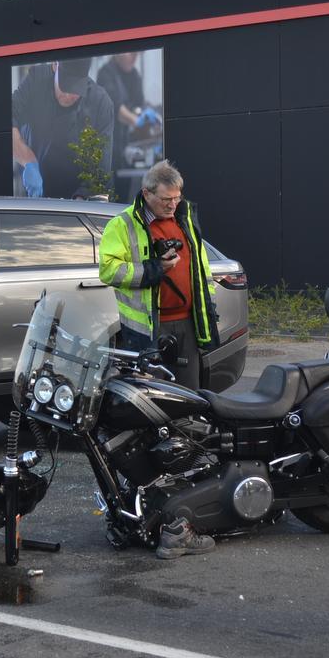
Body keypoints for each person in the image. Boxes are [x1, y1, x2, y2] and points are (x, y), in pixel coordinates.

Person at [99, 159, 220, 559]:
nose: (173, 204)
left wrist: (209, 307)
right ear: (147, 193)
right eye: (166, 199)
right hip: (147, 331)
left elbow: (200, 268)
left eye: (177, 197)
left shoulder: (185, 219)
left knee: (189, 404)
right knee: (151, 413)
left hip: (186, 324)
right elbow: (108, 270)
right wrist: (153, 269)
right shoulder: (124, 224)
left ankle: (190, 488)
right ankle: (156, 497)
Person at [12, 58, 114, 198]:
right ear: (55, 65)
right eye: (65, 86)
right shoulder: (36, 80)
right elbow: (6, 119)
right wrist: (29, 161)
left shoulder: (101, 103)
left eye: (76, 88)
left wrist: (78, 204)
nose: (68, 95)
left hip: (75, 203)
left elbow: (99, 173)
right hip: (34, 198)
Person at [96, 52, 161, 175]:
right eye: (131, 53)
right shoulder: (106, 73)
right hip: (109, 148)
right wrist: (137, 121)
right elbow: (116, 109)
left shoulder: (135, 76)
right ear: (117, 53)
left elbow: (139, 105)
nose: (135, 57)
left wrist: (145, 115)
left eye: (137, 53)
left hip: (128, 149)